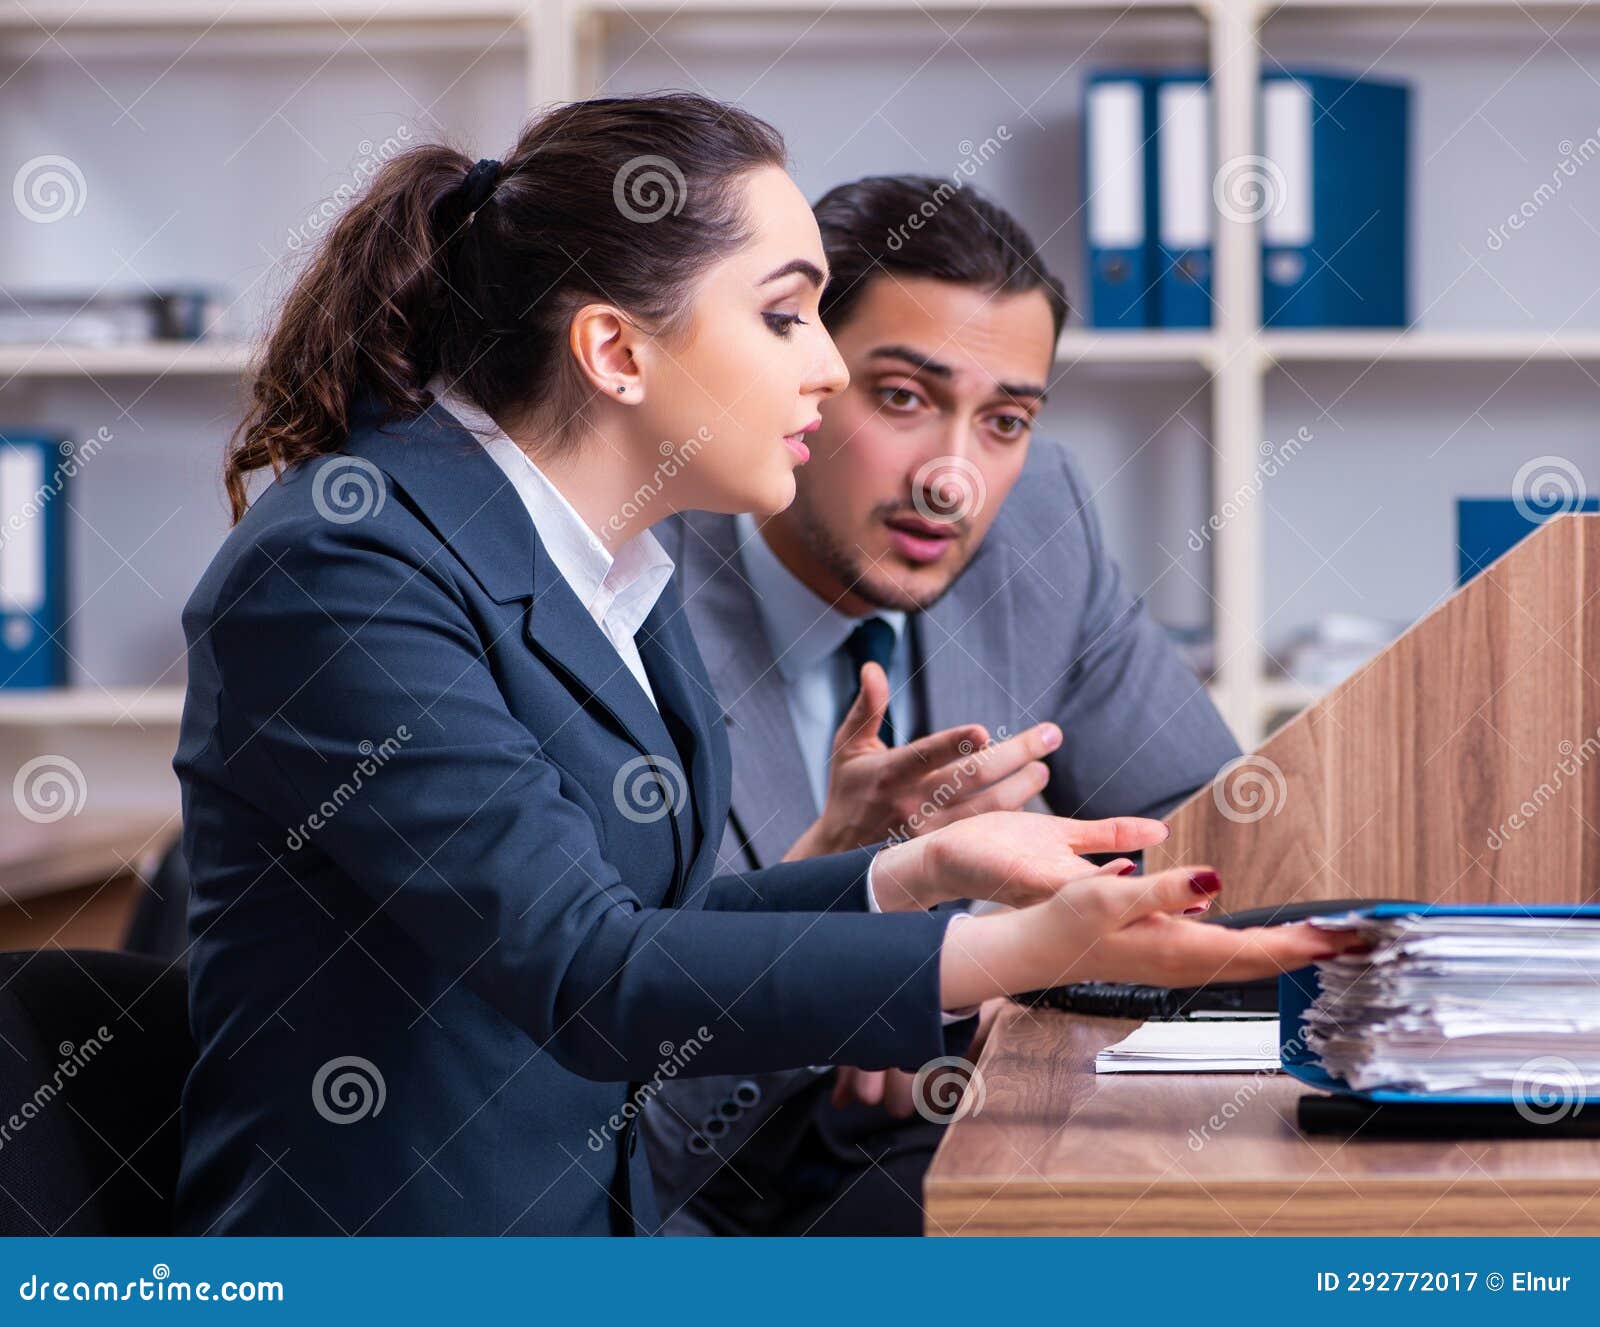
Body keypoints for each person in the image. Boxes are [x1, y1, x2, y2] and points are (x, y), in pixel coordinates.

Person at [171, 94, 1359, 1237]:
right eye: (786, 316)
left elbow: (657, 921)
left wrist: (914, 873)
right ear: (614, 351)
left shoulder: (609, 563)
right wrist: (1008, 950)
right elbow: (588, 966)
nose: (828, 369)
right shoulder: (341, 570)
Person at [644, 177, 1241, 1235]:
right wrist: (851, 938)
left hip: (949, 1143)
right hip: (692, 1189)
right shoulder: (632, 574)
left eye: (1004, 420)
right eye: (904, 399)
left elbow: (1208, 833)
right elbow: (593, 1031)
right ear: (801, 374)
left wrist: (991, 961)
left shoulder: (1039, 516)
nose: (954, 482)